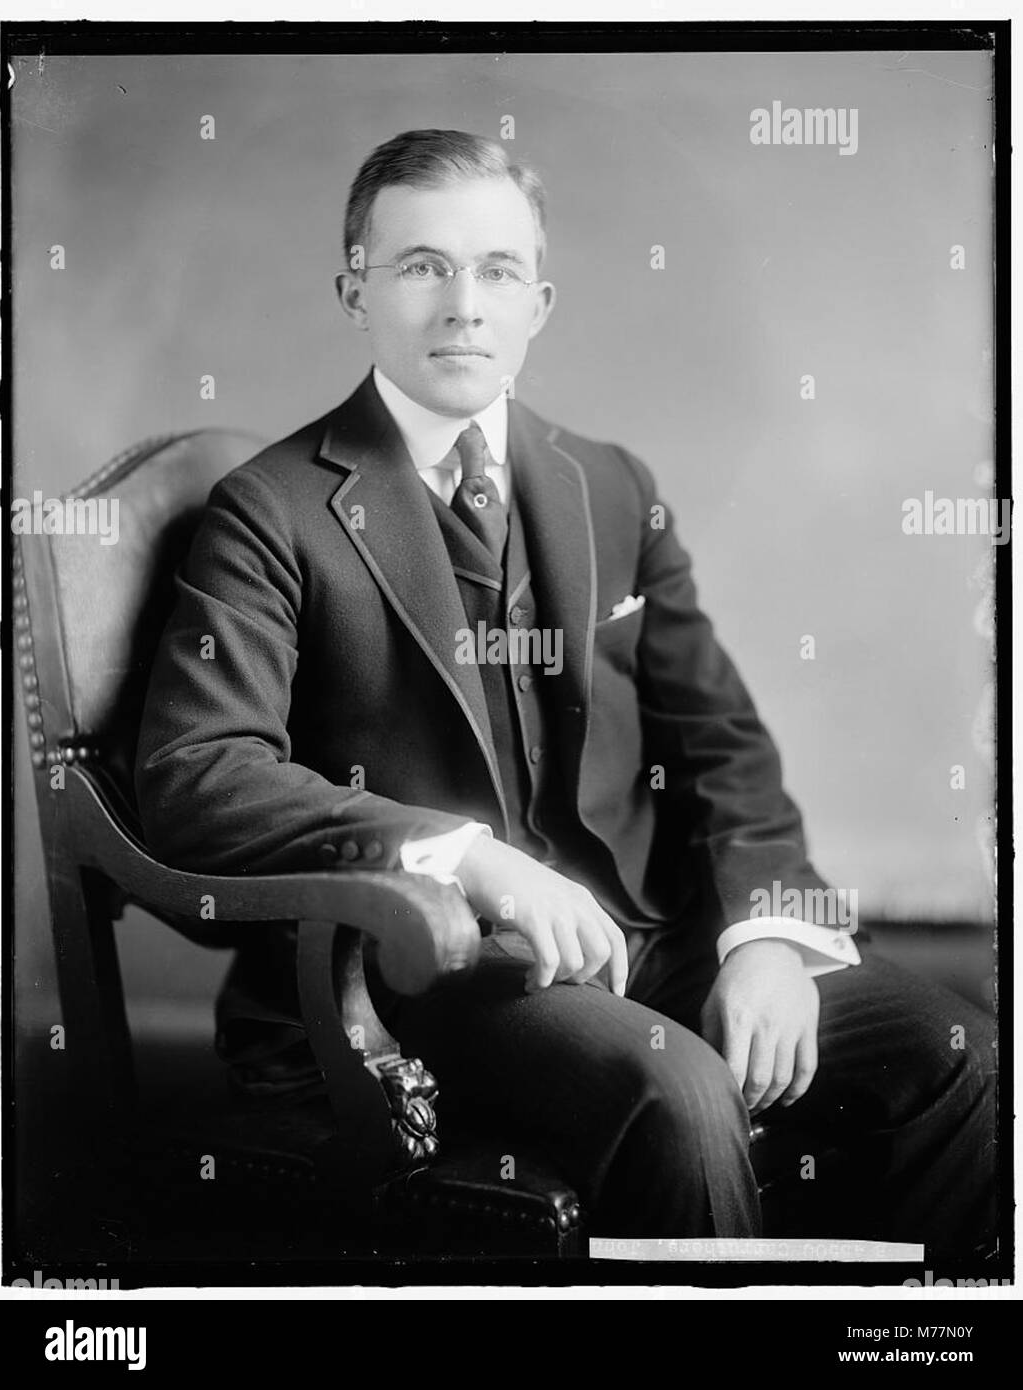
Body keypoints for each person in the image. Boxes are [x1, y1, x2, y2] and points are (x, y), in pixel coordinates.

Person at [135, 128, 996, 1253]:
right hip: (427, 967)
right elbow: (199, 775)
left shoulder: (609, 485)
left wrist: (768, 937)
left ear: (538, 302)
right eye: (420, 266)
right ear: (354, 291)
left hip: (650, 926)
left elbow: (722, 743)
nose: (463, 304)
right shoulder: (272, 508)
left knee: (963, 1058)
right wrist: (467, 857)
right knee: (675, 1092)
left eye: (496, 271)